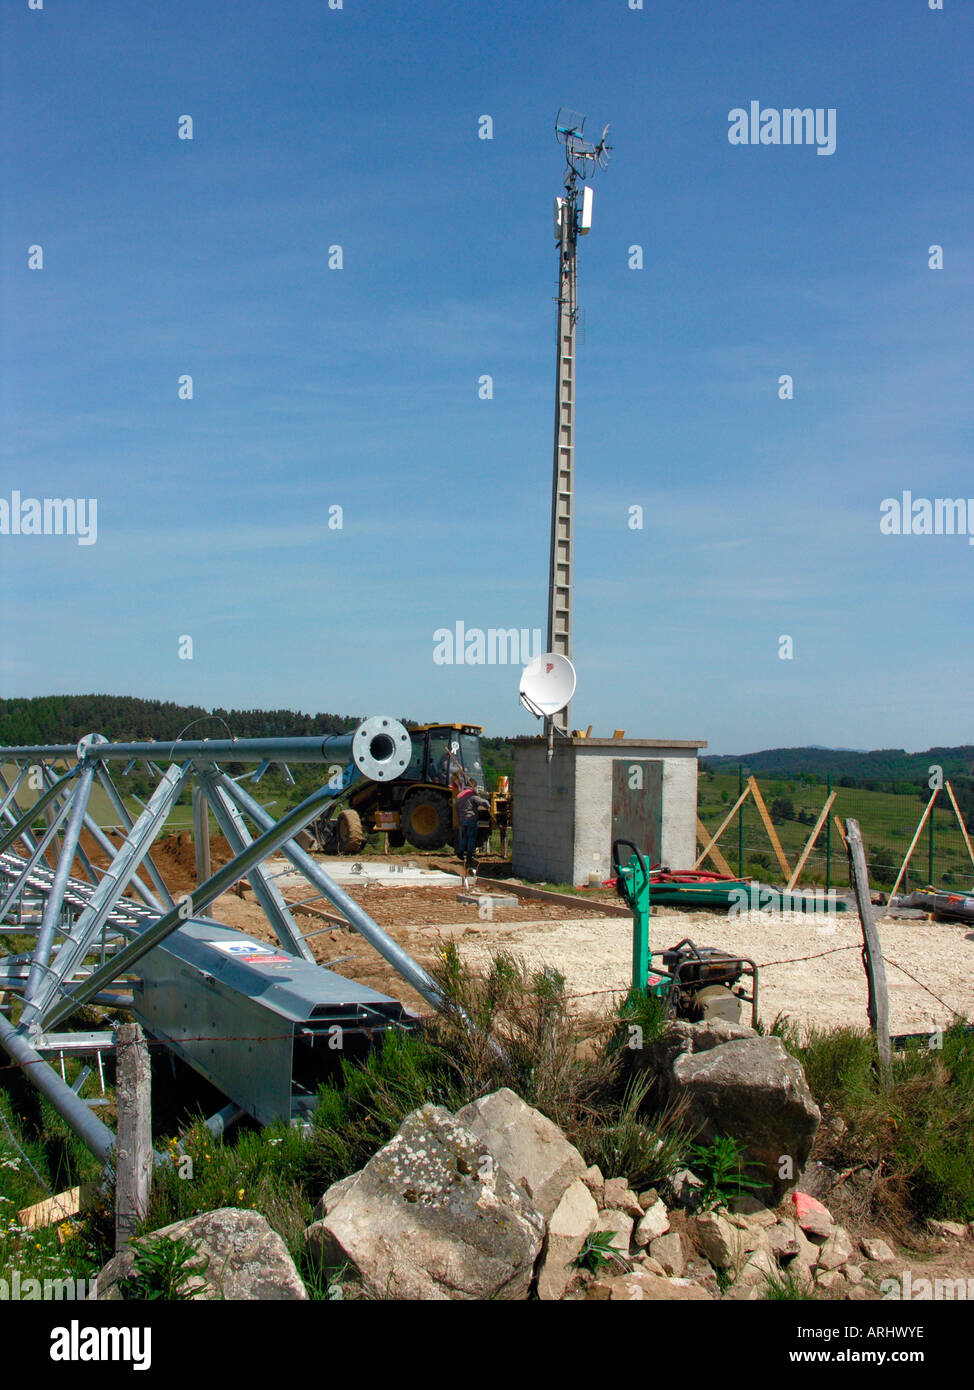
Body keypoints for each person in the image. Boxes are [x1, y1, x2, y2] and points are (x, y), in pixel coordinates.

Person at [454, 778, 490, 873]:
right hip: (471, 820)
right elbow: (483, 802)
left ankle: (460, 852)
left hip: (462, 820)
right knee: (471, 839)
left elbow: (456, 808)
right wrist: (488, 805)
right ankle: (469, 857)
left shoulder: (459, 796)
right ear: (474, 786)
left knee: (465, 837)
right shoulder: (472, 795)